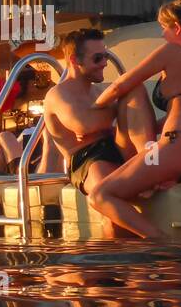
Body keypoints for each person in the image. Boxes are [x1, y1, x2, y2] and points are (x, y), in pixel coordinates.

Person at [88, 0, 181, 237]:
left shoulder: (171, 51)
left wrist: (96, 105)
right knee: (154, 169)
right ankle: (163, 178)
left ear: (178, 28)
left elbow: (122, 85)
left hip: (179, 146)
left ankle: (160, 244)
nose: (162, 35)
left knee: (101, 195)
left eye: (164, 28)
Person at [43, 27, 155, 201]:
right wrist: (118, 110)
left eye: (106, 57)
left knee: (135, 90)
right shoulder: (58, 94)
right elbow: (85, 124)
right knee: (110, 196)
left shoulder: (98, 92)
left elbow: (95, 123)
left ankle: (151, 162)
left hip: (114, 147)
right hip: (87, 159)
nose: (104, 63)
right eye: (98, 58)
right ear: (74, 60)